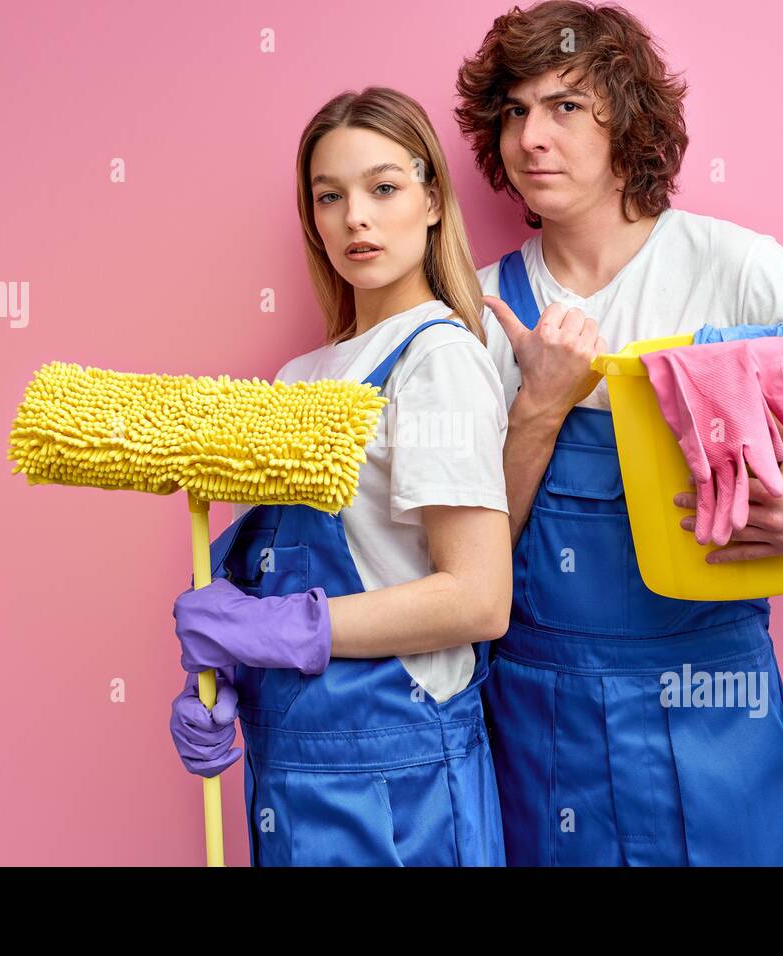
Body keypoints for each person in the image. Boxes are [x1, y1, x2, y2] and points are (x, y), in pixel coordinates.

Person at [453, 0, 783, 865]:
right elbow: (466, 565)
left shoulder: (734, 268)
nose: (531, 137)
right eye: (514, 112)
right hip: (541, 722)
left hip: (718, 710)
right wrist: (538, 409)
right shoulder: (481, 311)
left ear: (627, 121)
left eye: (565, 106)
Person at [167, 87, 513, 866]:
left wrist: (284, 631)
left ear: (431, 200)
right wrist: (223, 678)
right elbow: (266, 578)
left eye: (383, 188)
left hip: (401, 782)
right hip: (290, 771)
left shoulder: (437, 359)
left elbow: (479, 598)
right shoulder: (298, 377)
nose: (356, 216)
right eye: (330, 196)